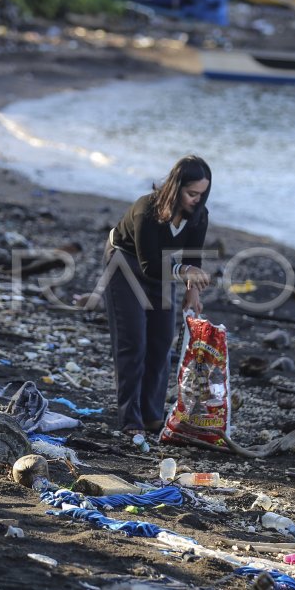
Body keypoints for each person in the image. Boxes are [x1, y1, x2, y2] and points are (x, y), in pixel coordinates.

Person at [102, 155, 212, 436]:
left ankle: (152, 415)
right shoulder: (146, 209)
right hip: (125, 263)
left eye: (202, 194)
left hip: (163, 267)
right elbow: (148, 265)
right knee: (133, 343)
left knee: (162, 341)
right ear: (176, 188)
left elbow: (192, 258)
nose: (197, 200)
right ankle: (130, 419)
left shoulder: (199, 215)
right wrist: (184, 271)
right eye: (192, 193)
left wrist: (193, 291)